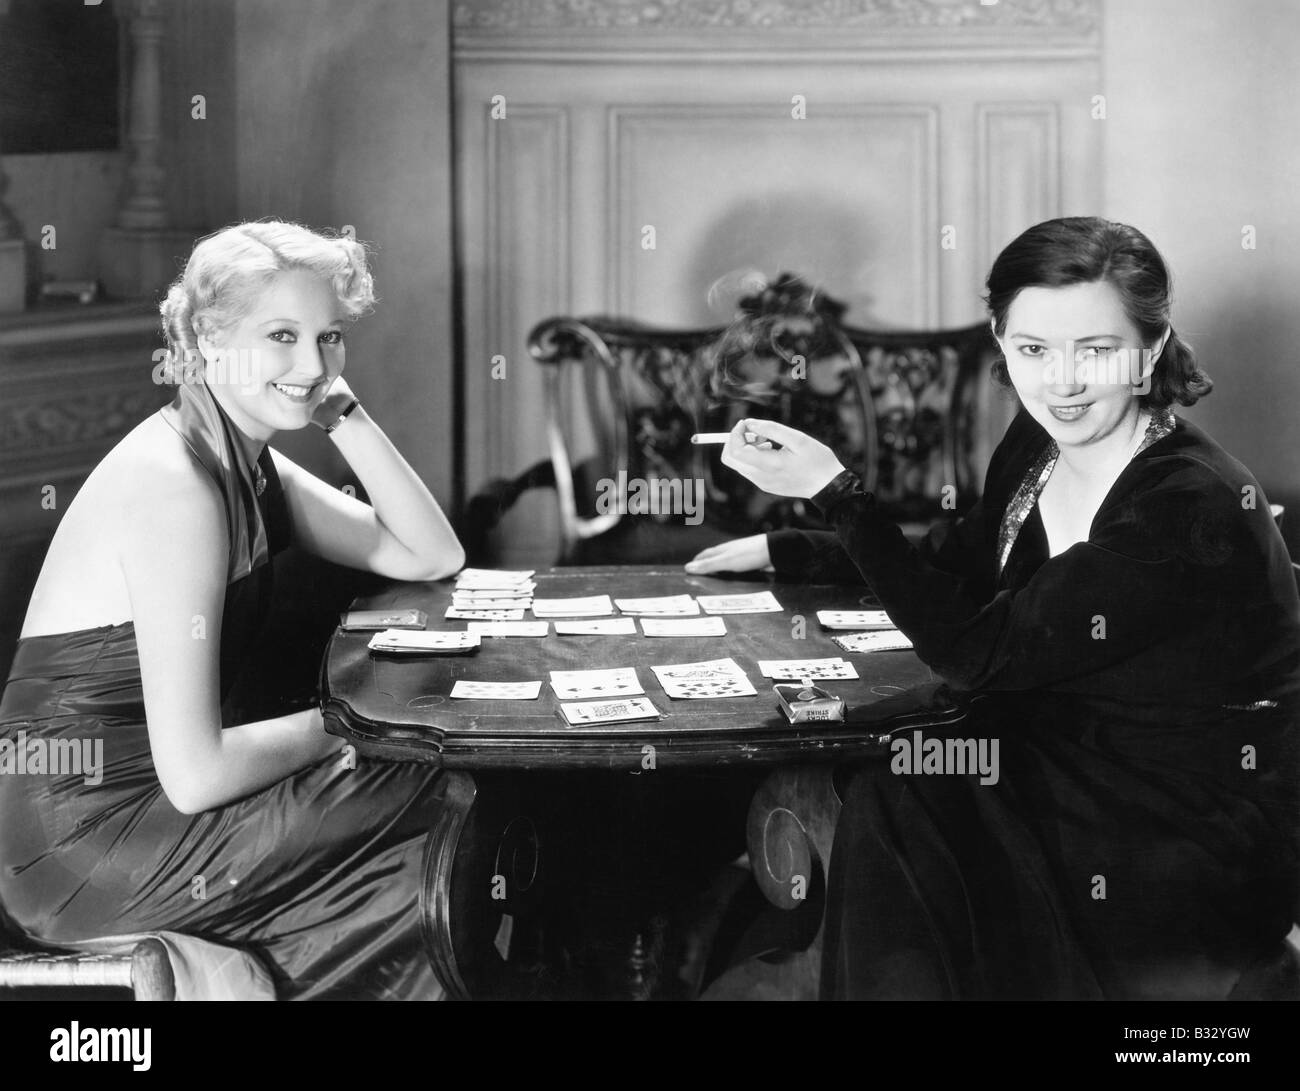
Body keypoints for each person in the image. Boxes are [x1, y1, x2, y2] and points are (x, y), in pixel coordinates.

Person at [687, 217, 1300, 1000]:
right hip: (1072, 757)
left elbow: (978, 649)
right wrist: (798, 546)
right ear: (1001, 340)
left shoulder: (1187, 502)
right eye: (1034, 349)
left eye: (1098, 349)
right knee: (894, 781)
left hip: (1181, 828)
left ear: (1151, 350)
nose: (1064, 380)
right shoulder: (1040, 441)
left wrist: (839, 493)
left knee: (900, 796)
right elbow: (958, 563)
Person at [0, 221, 465, 1000]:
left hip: (153, 801)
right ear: (208, 343)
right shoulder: (175, 486)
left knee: (434, 807)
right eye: (281, 335)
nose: (313, 363)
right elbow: (197, 772)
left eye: (331, 336)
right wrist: (355, 721)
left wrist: (341, 413)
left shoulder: (245, 460)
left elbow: (429, 554)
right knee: (430, 795)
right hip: (84, 841)